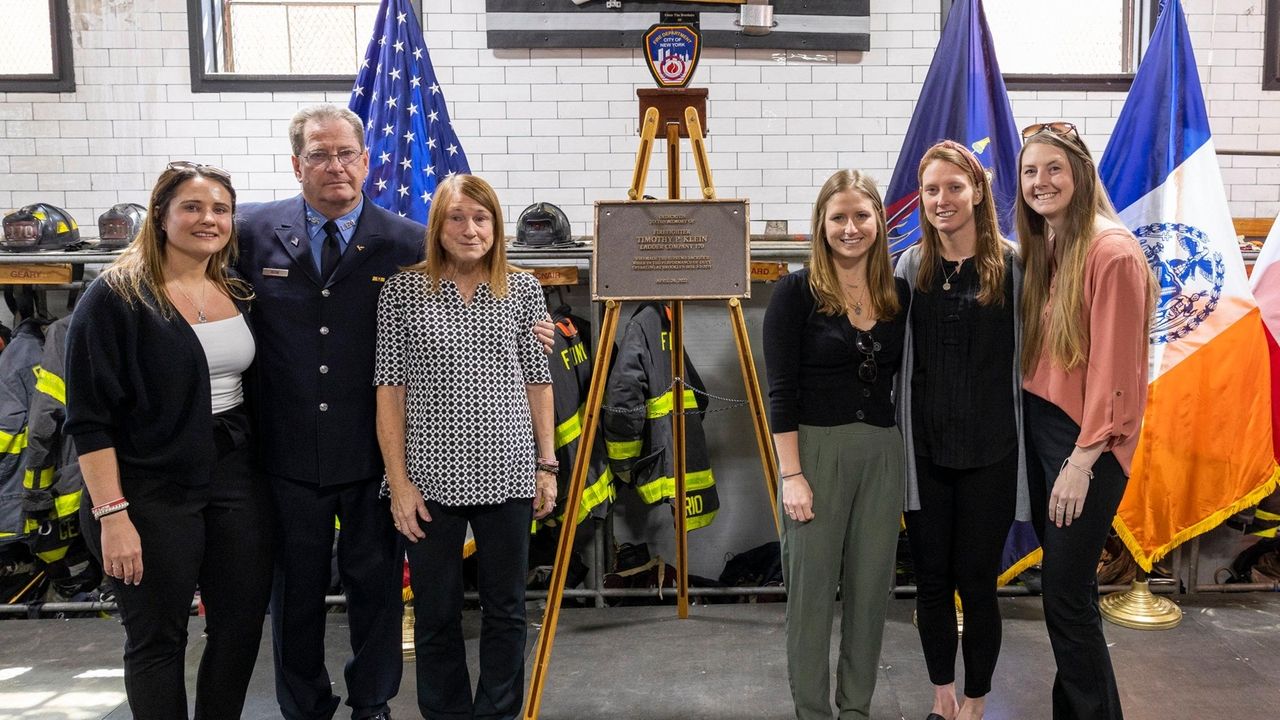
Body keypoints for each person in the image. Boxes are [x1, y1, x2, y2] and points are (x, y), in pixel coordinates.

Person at [65, 161, 273, 719]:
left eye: (221, 209)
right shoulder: (115, 297)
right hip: (148, 486)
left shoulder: (234, 288)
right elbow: (89, 420)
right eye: (192, 207)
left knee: (239, 627)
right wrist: (113, 515)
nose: (208, 219)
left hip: (233, 477)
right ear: (160, 215)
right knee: (158, 639)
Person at [237, 104, 422, 720]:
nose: (334, 165)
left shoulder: (409, 242)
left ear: (367, 161)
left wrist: (526, 324)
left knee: (376, 591)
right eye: (319, 154)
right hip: (285, 452)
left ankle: (372, 702)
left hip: (375, 455)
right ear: (296, 165)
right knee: (294, 597)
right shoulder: (248, 233)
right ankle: (305, 706)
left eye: (346, 153)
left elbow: (474, 299)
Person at [374, 173, 556, 720]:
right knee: (435, 611)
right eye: (457, 217)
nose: (470, 229)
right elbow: (389, 393)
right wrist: (399, 483)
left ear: (496, 226)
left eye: (481, 218)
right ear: (438, 226)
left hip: (509, 473)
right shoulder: (402, 292)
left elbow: (538, 381)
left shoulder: (523, 289)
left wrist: (546, 464)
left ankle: (498, 713)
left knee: (505, 610)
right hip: (428, 479)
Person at [1016, 121, 1155, 720]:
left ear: (1080, 174)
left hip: (1085, 445)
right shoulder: (1050, 243)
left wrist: (1082, 460)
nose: (1040, 181)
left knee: (1067, 596)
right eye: (1029, 171)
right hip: (1045, 427)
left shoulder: (1111, 250)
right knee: (1063, 596)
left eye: (1053, 169)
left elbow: (1116, 376)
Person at [764, 169, 911, 720]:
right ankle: (813, 712)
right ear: (821, 225)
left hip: (881, 454)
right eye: (839, 218)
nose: (851, 228)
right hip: (814, 457)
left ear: (878, 220)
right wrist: (791, 475)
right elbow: (780, 389)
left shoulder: (899, 292)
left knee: (871, 595)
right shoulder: (795, 292)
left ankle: (856, 710)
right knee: (810, 599)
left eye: (861, 216)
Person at [895, 140, 1027, 720]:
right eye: (931, 190)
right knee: (930, 583)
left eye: (954, 186)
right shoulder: (908, 266)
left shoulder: (1015, 265)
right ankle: (942, 699)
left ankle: (975, 704)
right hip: (925, 455)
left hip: (991, 454)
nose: (942, 199)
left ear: (977, 191)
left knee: (977, 584)